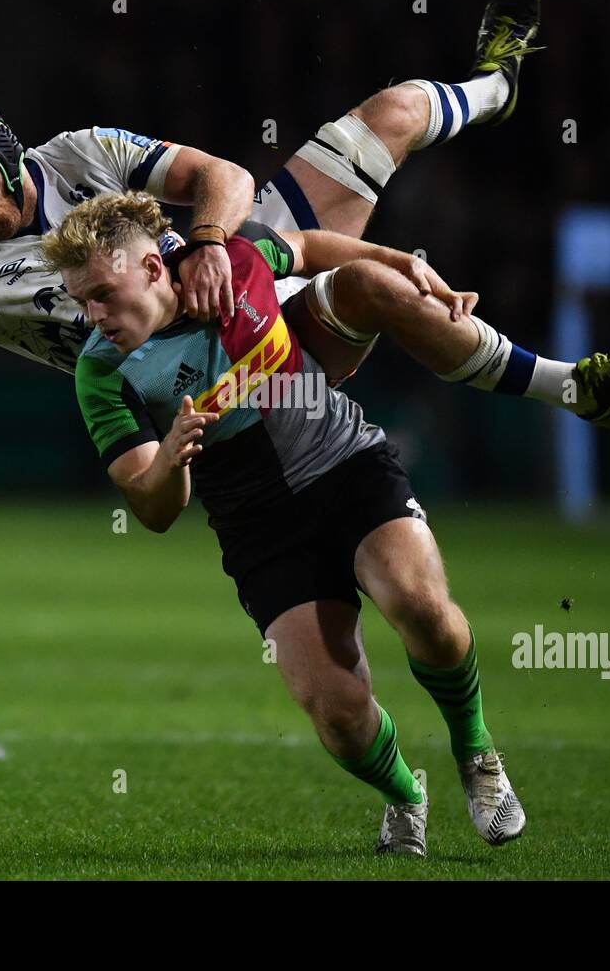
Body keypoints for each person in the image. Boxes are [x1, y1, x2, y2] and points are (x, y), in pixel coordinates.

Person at [0, 0, 587, 501]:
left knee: (395, 112)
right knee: (370, 290)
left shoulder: (83, 154)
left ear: (3, 152)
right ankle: (566, 386)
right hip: (199, 384)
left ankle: (497, 86)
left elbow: (224, 178)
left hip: (238, 281)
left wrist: (205, 243)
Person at [43, 191, 557, 854]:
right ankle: (406, 794)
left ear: (152, 266)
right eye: (81, 299)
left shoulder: (227, 263)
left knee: (421, 606)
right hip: (257, 526)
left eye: (103, 294)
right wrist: (169, 460)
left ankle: (477, 752)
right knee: (338, 712)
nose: (93, 315)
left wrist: (405, 262)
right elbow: (153, 509)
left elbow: (308, 246)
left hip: (345, 465)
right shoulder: (100, 370)